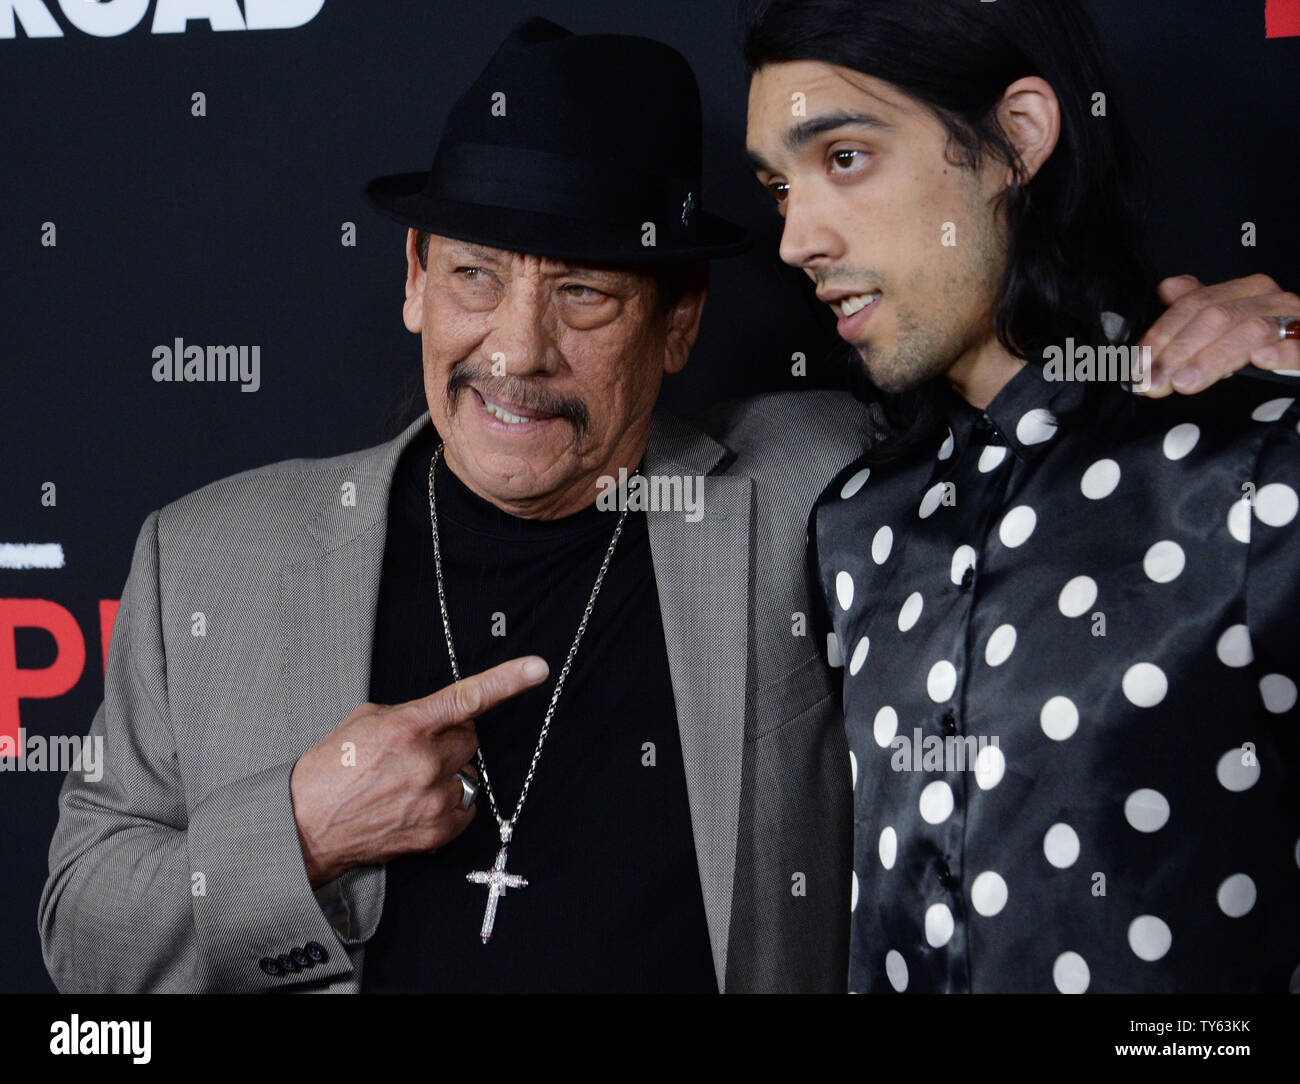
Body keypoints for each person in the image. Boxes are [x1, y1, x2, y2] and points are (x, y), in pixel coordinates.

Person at [38, 15, 1289, 995]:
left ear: (680, 318)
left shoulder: (835, 486)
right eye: (475, 276)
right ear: (415, 280)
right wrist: (299, 833)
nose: (516, 352)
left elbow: (1040, 408)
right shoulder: (206, 557)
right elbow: (83, 938)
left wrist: (1262, 328)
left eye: (584, 294)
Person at [743, 0, 1300, 992]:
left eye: (842, 159)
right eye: (778, 187)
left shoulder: (1250, 463)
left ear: (1017, 139)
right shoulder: (856, 521)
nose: (796, 238)